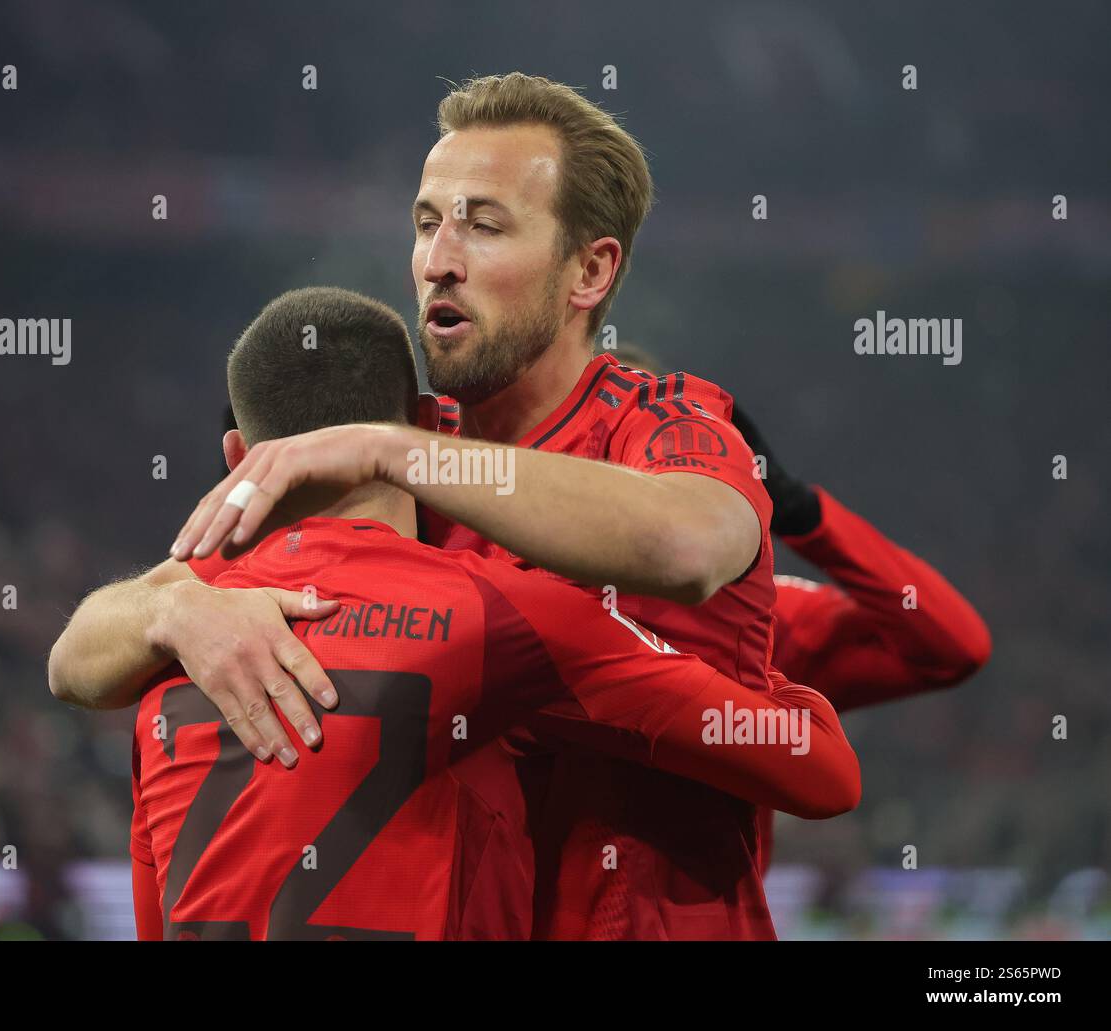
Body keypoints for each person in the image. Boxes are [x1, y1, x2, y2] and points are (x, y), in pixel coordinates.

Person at [52, 73, 795, 939]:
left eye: (483, 225)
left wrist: (394, 448)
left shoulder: (668, 422)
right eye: (426, 220)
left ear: (589, 270)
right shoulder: (376, 455)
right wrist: (173, 606)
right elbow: (76, 660)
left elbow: (688, 545)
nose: (439, 258)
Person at [128, 286, 859, 940]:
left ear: (236, 455)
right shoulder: (498, 614)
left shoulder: (161, 650)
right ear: (424, 426)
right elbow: (820, 772)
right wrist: (770, 674)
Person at [609, 340, 992, 869]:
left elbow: (954, 648)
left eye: (663, 435)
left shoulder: (770, 624)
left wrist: (805, 515)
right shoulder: (500, 598)